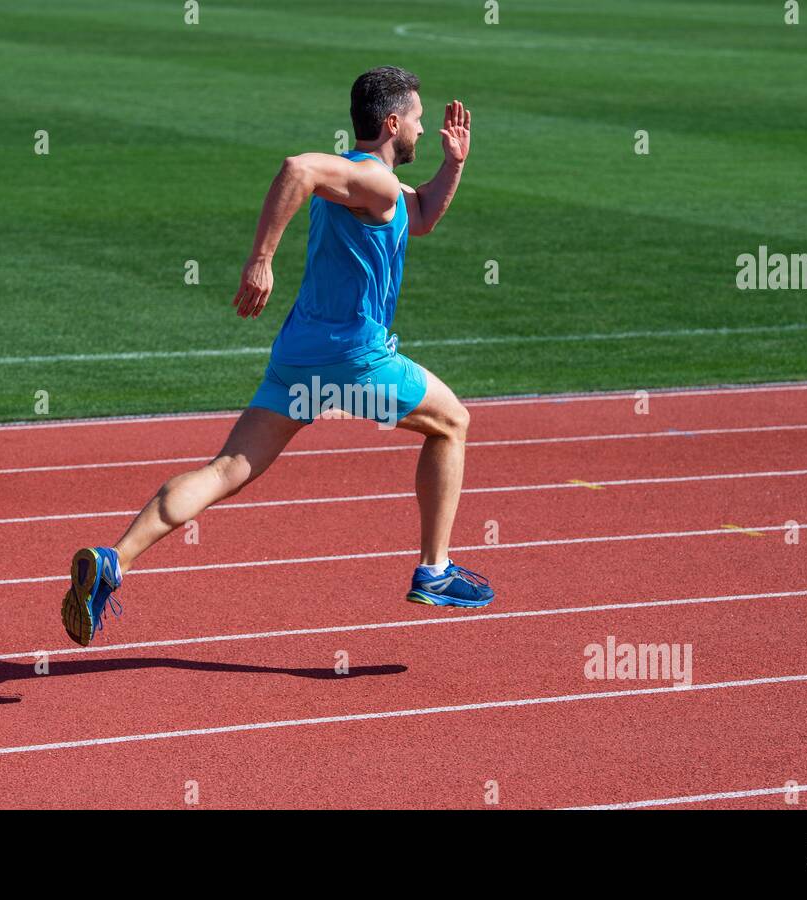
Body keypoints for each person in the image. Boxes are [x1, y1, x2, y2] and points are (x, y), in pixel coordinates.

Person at [61, 66, 494, 647]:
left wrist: (455, 163)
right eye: (417, 118)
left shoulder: (373, 186)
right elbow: (298, 167)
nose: (422, 128)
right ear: (393, 122)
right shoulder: (375, 182)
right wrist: (261, 257)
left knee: (227, 470)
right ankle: (435, 571)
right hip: (354, 360)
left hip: (298, 358)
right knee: (453, 424)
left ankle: (116, 558)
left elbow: (421, 221)